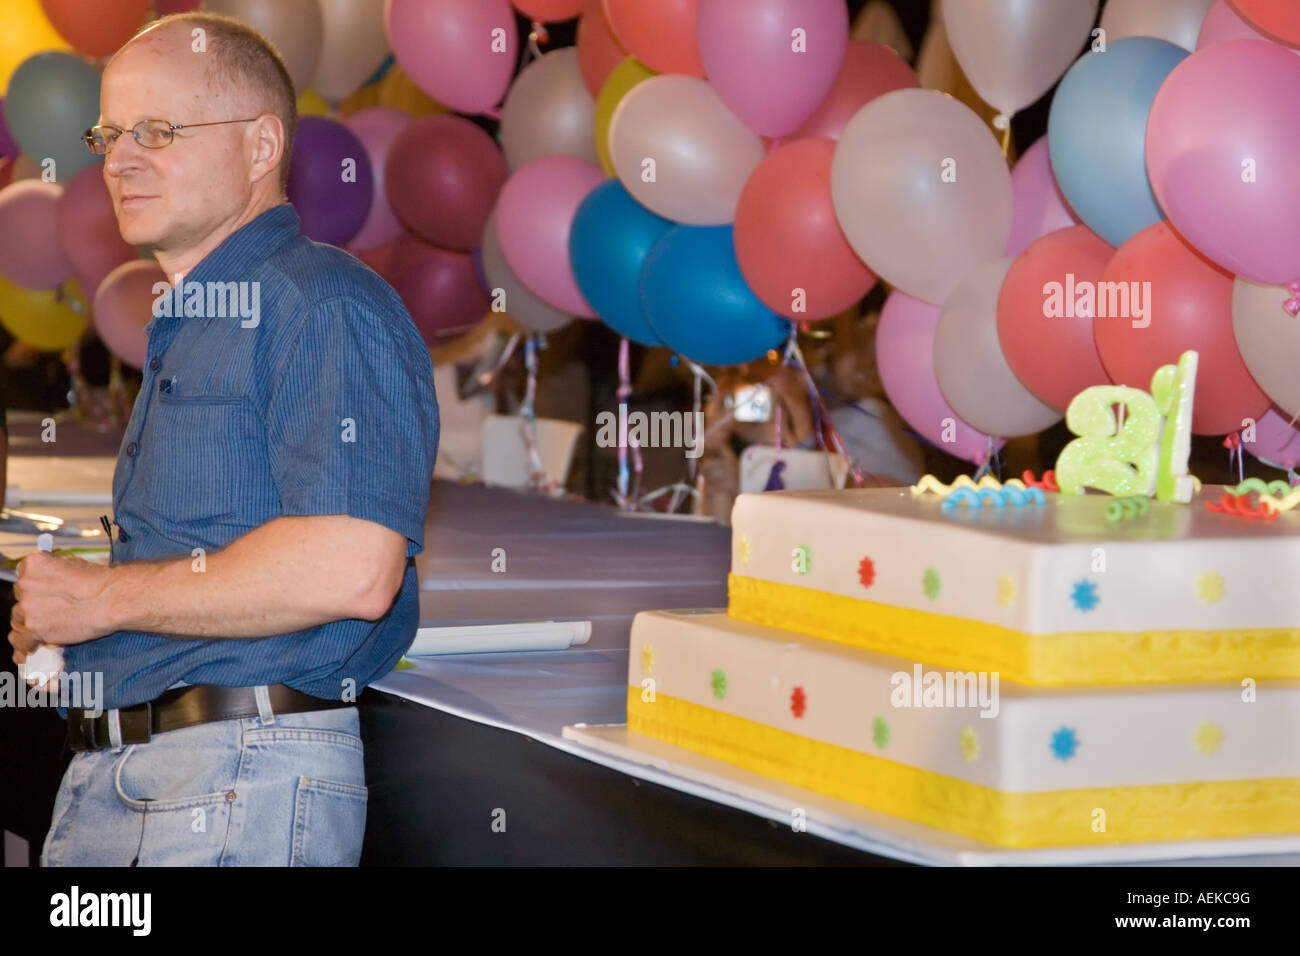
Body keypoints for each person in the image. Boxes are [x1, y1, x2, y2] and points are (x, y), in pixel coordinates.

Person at [6, 12, 439, 866]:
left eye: (158, 131)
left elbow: (353, 568)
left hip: (240, 777)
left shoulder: (323, 304)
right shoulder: (194, 317)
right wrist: (84, 619)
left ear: (261, 143)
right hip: (127, 773)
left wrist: (103, 602)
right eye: (110, 133)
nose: (119, 159)